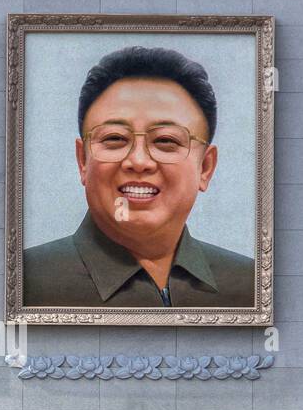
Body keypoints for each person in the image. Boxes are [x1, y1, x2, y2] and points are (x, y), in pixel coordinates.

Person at [23, 46, 254, 309]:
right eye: (115, 139)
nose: (139, 162)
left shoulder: (249, 284)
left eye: (166, 140)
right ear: (83, 161)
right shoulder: (27, 281)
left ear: (205, 168)